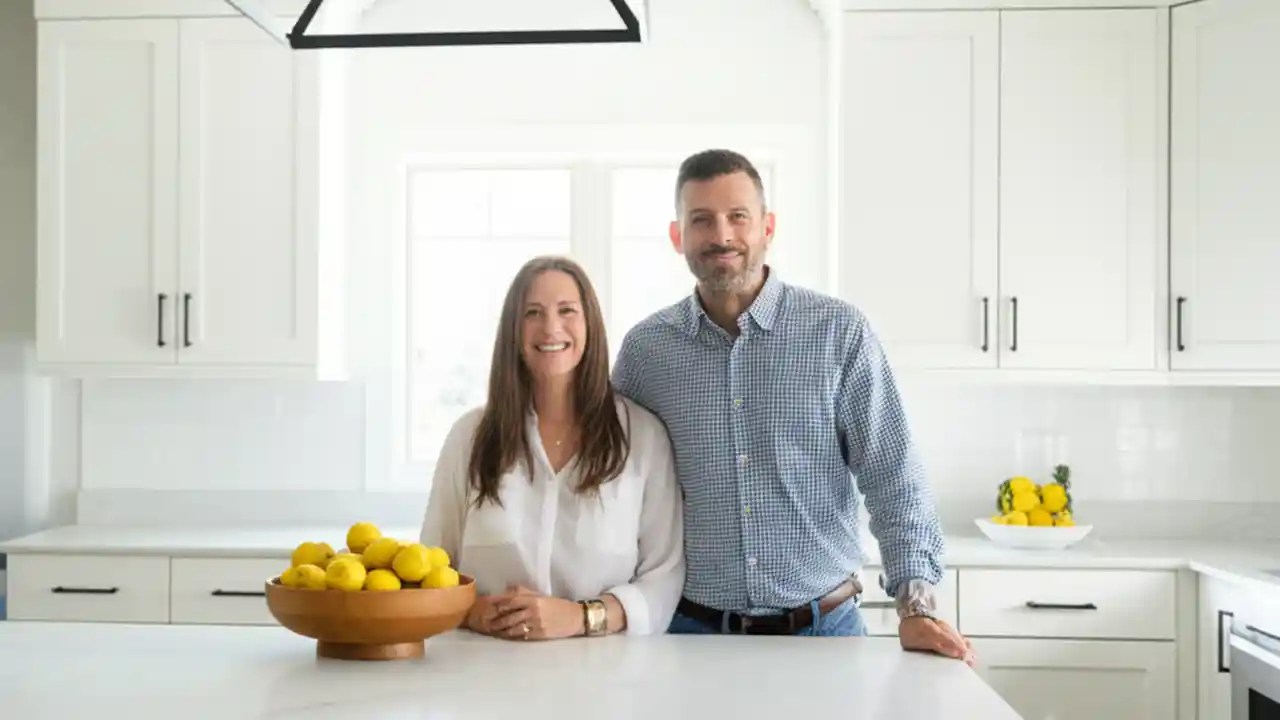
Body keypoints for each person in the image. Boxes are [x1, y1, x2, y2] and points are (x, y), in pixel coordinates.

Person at [611, 149, 975, 662]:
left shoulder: (839, 333)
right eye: (702, 220)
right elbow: (613, 490)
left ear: (768, 227)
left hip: (826, 634)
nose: (722, 235)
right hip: (690, 638)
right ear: (678, 236)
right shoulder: (646, 353)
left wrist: (916, 608)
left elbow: (894, 477)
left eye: (738, 216)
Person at [420, 255, 684, 641]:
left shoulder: (643, 439)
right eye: (533, 313)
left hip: (605, 670)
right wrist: (472, 612)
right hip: (483, 666)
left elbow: (663, 579)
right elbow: (429, 568)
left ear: (590, 324)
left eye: (567, 311)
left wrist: (581, 617)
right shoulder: (469, 437)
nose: (551, 328)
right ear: (513, 330)